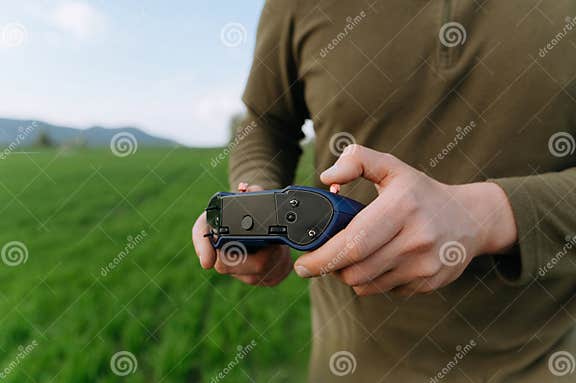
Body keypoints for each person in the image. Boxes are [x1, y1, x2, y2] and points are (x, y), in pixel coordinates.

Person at [193, 0, 576, 381]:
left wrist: (486, 214)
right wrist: (260, 201)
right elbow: (266, 119)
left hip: (545, 360)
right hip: (349, 361)